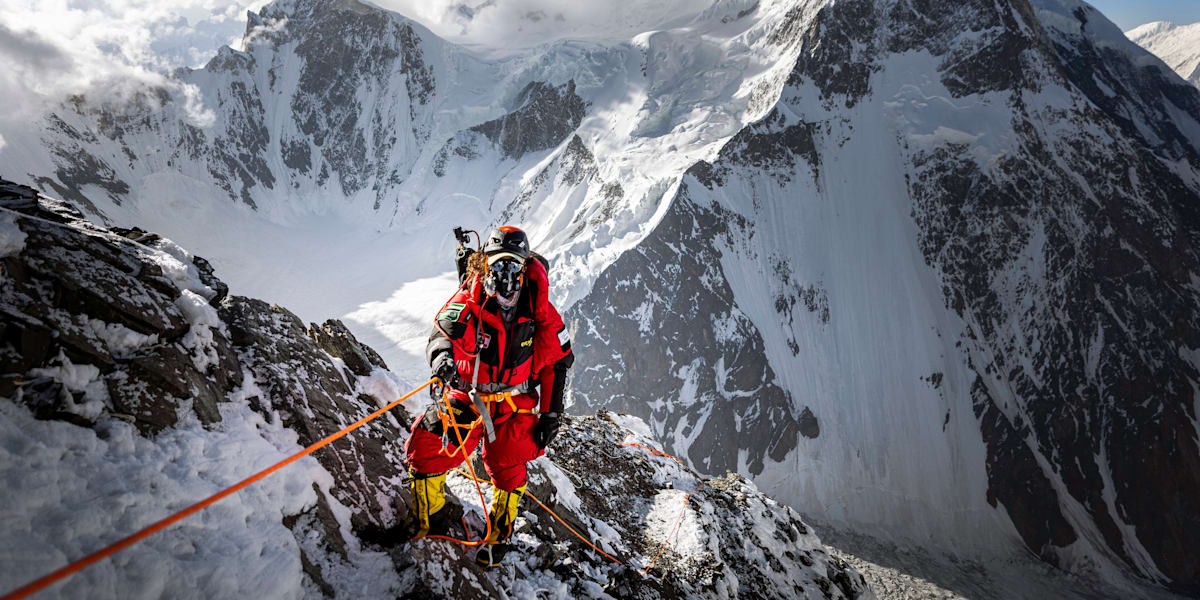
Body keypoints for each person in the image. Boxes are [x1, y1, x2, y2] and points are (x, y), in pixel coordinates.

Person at [404, 225, 573, 568]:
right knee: (429, 443)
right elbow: (443, 332)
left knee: (509, 461)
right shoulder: (470, 297)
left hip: (514, 404)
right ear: (486, 266)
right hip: (467, 395)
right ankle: (433, 523)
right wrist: (442, 360)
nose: (505, 274)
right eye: (498, 265)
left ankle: (500, 534)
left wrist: (552, 414)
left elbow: (557, 362)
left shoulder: (540, 313)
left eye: (513, 265)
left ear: (524, 269)